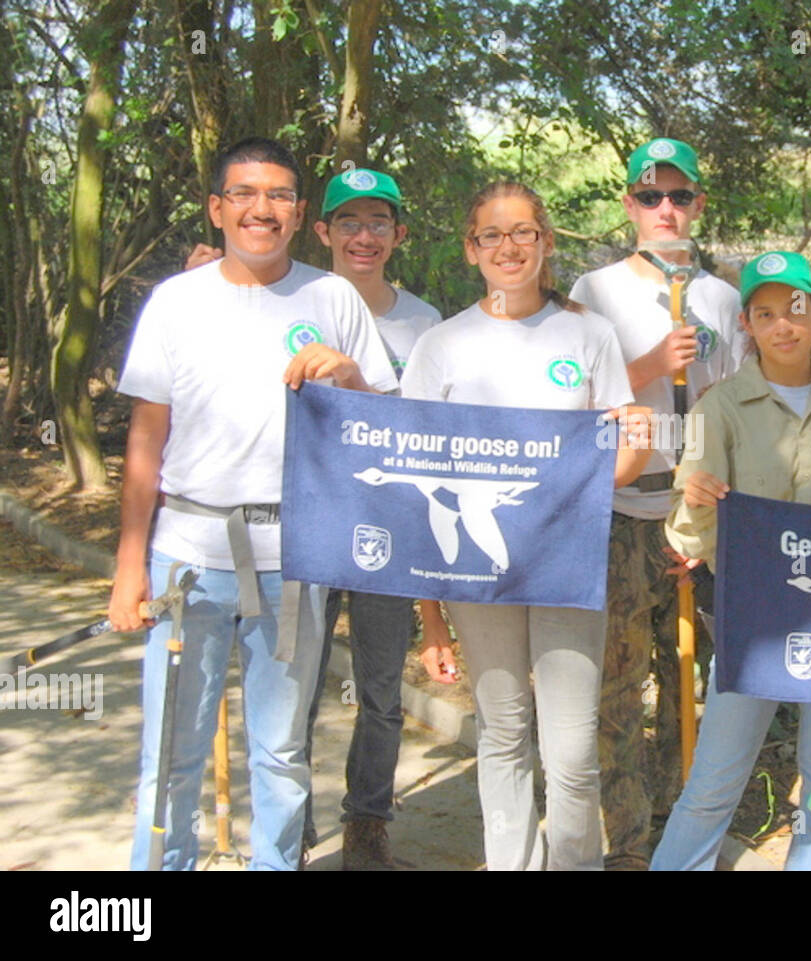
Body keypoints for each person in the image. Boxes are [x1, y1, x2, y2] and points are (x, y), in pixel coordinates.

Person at [108, 137, 398, 871]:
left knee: (280, 750)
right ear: (217, 208)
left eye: (278, 195)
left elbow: (385, 428)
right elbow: (145, 441)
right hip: (187, 556)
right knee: (172, 748)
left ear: (299, 215)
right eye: (243, 193)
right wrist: (129, 567)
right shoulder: (176, 301)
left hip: (292, 555)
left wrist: (352, 378)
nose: (260, 209)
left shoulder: (332, 298)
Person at [184, 167, 449, 870]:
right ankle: (290, 835)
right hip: (305, 526)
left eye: (379, 223)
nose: (364, 236)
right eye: (349, 223)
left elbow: (426, 431)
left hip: (388, 528)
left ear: (399, 234)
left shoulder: (424, 322)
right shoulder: (288, 297)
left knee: (381, 688)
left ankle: (367, 822)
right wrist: (207, 284)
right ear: (323, 230)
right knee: (290, 691)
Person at [403, 181, 653, 870]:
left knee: (570, 750)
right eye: (492, 234)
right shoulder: (441, 345)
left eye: (523, 232)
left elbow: (616, 466)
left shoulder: (589, 334)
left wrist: (636, 443)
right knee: (503, 733)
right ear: (470, 248)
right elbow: (419, 479)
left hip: (567, 563)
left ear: (545, 241)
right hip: (477, 570)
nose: (508, 247)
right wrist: (431, 618)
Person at [650, 250, 811, 871]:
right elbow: (689, 538)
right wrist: (696, 501)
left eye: (795, 308)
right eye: (764, 314)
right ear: (746, 323)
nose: (782, 325)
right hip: (755, 620)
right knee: (714, 781)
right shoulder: (717, 407)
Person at [568, 137, 749, 869]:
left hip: (694, 512)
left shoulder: (724, 300)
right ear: (629, 205)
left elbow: (737, 410)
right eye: (650, 196)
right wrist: (649, 365)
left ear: (698, 204)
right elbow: (577, 400)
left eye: (678, 196)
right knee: (616, 687)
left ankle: (686, 833)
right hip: (618, 512)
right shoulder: (594, 291)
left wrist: (711, 521)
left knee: (690, 684)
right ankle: (628, 841)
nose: (665, 209)